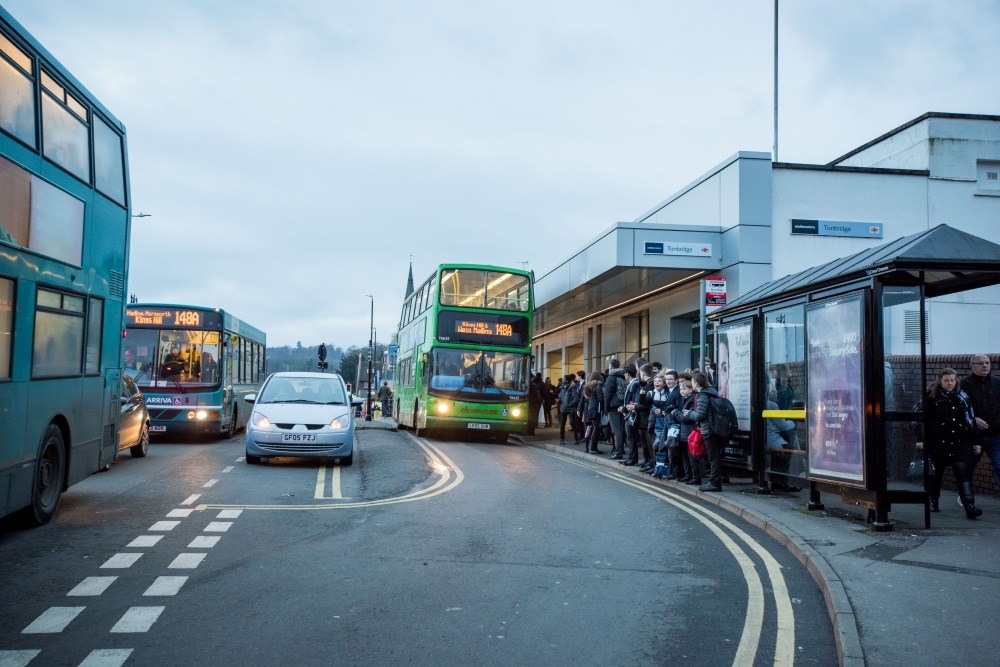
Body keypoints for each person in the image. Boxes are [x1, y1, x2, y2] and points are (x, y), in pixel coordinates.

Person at [923, 368, 981, 518]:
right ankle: (933, 499)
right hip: (938, 442)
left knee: (963, 472)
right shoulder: (931, 397)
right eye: (946, 380)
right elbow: (923, 421)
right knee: (937, 474)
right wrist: (921, 440)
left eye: (952, 380)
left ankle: (969, 505)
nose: (950, 383)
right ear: (940, 381)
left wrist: (976, 442)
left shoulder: (962, 397)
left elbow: (971, 420)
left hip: (960, 441)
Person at [961, 354, 1000, 489]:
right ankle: (966, 495)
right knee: (968, 466)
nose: (985, 365)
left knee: (999, 465)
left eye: (987, 363)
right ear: (972, 366)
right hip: (974, 436)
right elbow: (959, 408)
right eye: (981, 363)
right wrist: (973, 419)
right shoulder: (964, 384)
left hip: (996, 435)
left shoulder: (997, 382)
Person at [681, 371, 724, 492]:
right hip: (715, 428)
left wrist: (689, 414)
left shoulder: (703, 396)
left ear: (696, 383)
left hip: (708, 429)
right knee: (713, 456)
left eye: (693, 382)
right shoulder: (712, 393)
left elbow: (700, 415)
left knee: (713, 457)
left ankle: (715, 483)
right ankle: (714, 481)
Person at [766, 400, 801, 492]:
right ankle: (782, 482)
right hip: (771, 439)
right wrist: (793, 423)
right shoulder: (771, 405)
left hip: (762, 439)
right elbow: (783, 426)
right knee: (787, 448)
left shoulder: (760, 402)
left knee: (784, 448)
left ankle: (777, 481)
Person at [602, 358, 628, 460]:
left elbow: (607, 394)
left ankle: (618, 452)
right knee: (621, 429)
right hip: (622, 405)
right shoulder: (623, 375)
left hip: (613, 406)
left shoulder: (611, 377)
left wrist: (606, 408)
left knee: (616, 430)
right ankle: (619, 449)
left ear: (610, 366)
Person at [582, 372, 605, 455]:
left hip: (591, 408)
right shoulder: (597, 386)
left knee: (594, 428)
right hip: (596, 409)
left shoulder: (589, 386)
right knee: (596, 429)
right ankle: (593, 448)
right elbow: (600, 399)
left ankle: (592, 447)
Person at [558, 374, 580, 445]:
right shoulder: (562, 388)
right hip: (564, 408)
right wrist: (559, 400)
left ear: (567, 380)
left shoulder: (572, 388)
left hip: (570, 408)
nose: (562, 379)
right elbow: (561, 397)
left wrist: (569, 404)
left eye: (563, 378)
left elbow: (576, 398)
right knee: (562, 424)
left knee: (573, 423)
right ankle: (561, 439)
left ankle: (576, 439)